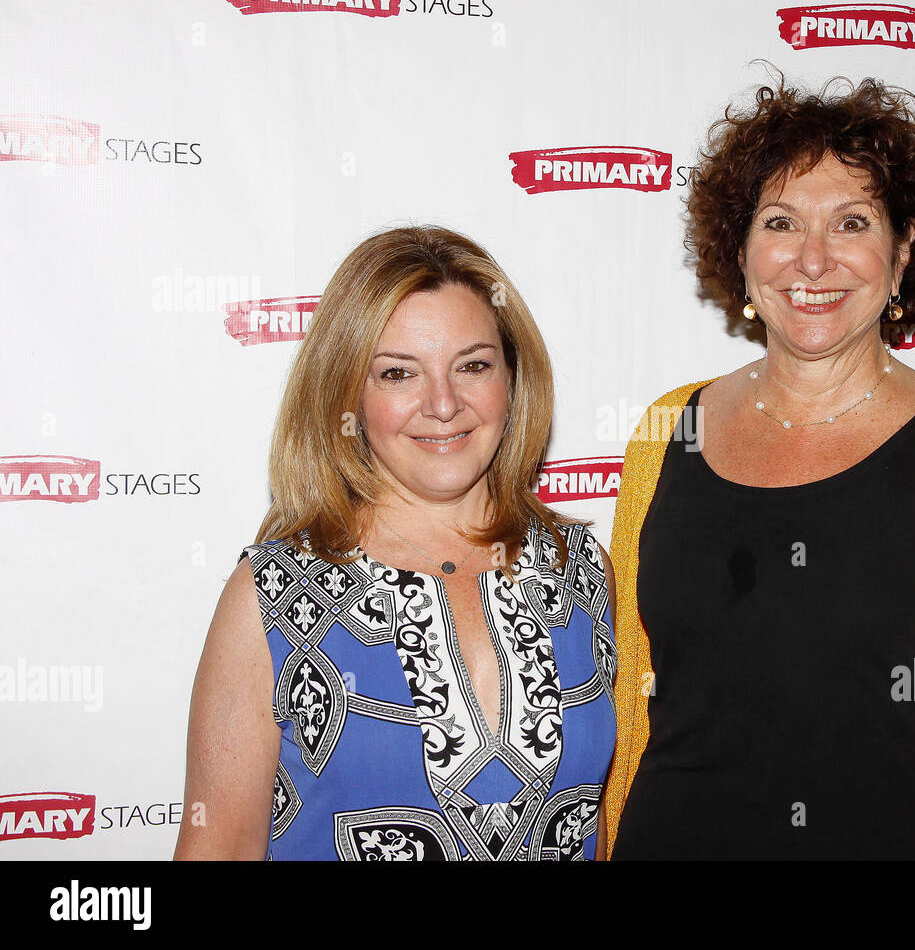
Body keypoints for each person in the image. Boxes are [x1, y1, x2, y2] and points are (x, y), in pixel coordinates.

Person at [602, 76, 915, 859]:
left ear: (902, 253)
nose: (813, 258)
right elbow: (633, 722)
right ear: (740, 250)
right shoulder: (667, 431)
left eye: (852, 222)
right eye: (780, 222)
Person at [175, 226, 617, 861]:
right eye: (398, 373)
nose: (443, 404)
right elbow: (217, 848)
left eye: (473, 365)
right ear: (347, 393)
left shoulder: (583, 572)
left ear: (514, 380)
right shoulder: (273, 595)